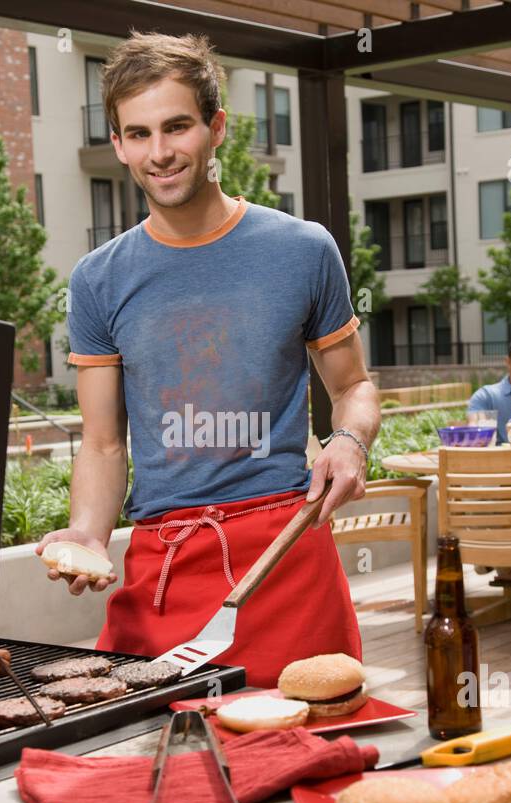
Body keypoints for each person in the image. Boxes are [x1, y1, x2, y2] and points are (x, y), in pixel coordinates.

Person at [33, 31, 380, 687]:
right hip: (163, 566)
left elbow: (354, 385)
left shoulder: (304, 250)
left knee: (314, 755)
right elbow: (105, 445)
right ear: (118, 144)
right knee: (134, 768)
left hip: (287, 557)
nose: (159, 153)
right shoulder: (98, 280)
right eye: (138, 134)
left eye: (177, 127)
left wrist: (348, 440)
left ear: (216, 128)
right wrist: (84, 533)